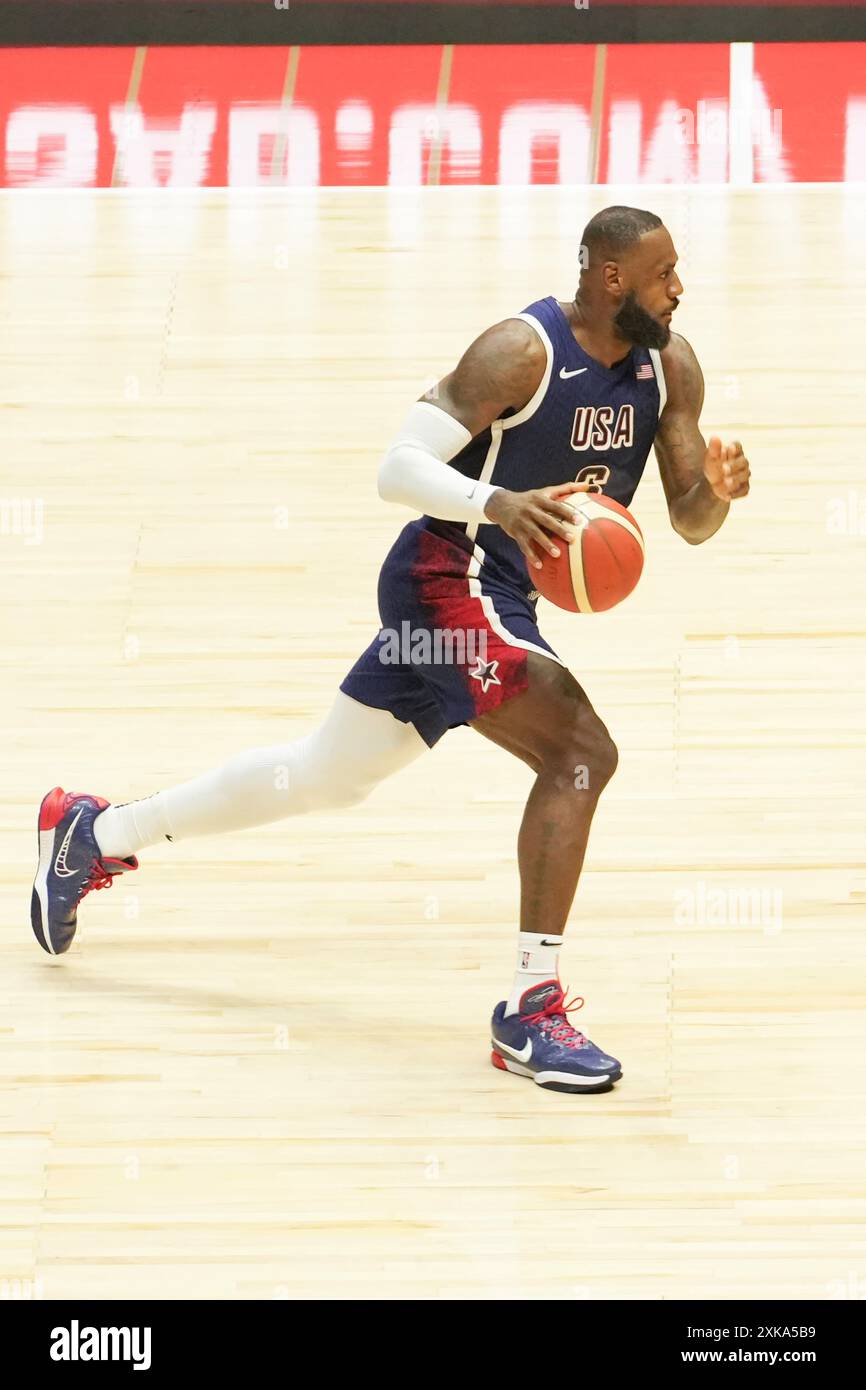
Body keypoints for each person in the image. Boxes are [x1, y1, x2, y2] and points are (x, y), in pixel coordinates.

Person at [30, 205, 750, 1095]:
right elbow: (396, 467)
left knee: (325, 775)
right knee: (580, 755)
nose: (680, 287)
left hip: (501, 599)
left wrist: (716, 493)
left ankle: (92, 833)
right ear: (611, 279)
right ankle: (531, 1010)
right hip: (446, 579)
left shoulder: (669, 368)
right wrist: (497, 505)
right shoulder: (520, 352)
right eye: (663, 272)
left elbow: (689, 518)